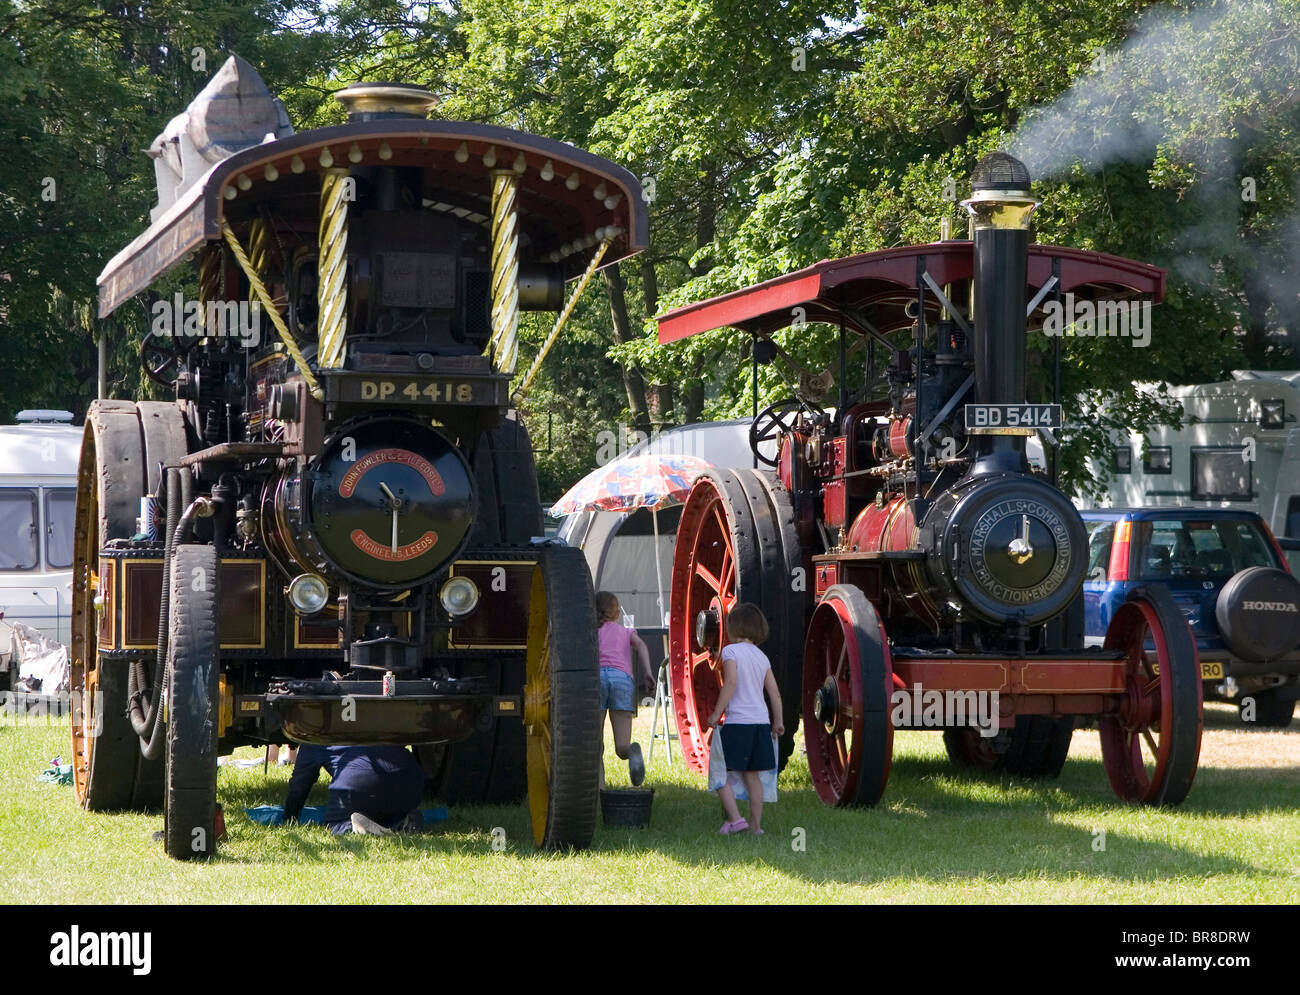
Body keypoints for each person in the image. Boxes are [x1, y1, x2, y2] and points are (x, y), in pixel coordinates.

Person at [706, 603, 782, 835]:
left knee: (720, 773)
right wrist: (777, 721)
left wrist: (716, 713)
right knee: (753, 777)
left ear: (732, 628)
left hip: (738, 723)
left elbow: (730, 683)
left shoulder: (730, 652)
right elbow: (774, 693)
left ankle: (736, 818)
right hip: (760, 724)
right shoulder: (762, 657)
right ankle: (756, 826)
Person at [283, 743, 425, 835]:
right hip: (410, 781)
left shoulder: (317, 731)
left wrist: (289, 818)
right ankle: (400, 820)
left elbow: (299, 784)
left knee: (333, 824)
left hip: (359, 786)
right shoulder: (381, 714)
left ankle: (349, 827)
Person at [596, 591, 656, 787]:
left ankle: (600, 789)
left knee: (595, 745)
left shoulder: (589, 631)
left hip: (596, 681)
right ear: (616, 613)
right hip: (622, 680)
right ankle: (631, 752)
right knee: (621, 746)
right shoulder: (626, 632)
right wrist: (647, 672)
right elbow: (641, 646)